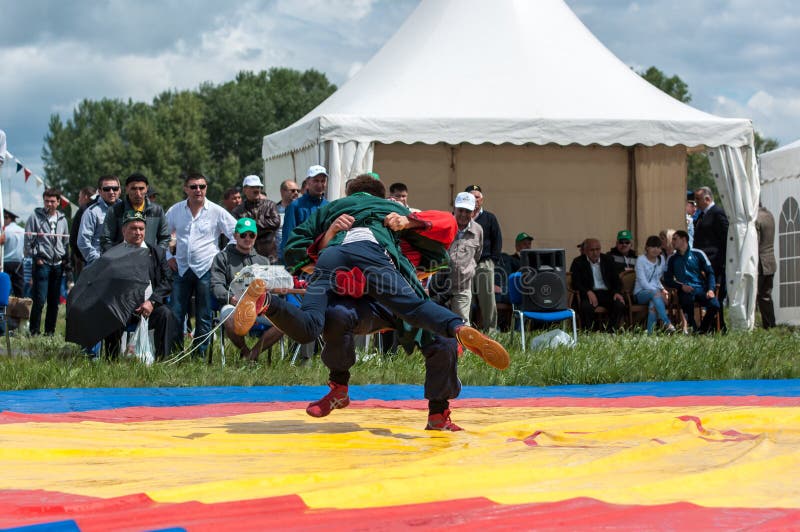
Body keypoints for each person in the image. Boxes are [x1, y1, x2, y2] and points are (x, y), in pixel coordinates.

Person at [235, 174, 510, 372]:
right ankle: (459, 327)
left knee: (310, 327)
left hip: (334, 259)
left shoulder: (332, 207)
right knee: (416, 309)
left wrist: (328, 237)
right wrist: (408, 221)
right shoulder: (392, 207)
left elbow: (293, 246)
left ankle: (266, 301)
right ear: (380, 196)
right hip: (375, 260)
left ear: (350, 195)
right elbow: (447, 223)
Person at [166, 172, 236, 354]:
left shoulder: (216, 211)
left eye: (202, 186)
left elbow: (237, 234)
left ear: (206, 188)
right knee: (176, 313)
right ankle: (175, 354)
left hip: (207, 268)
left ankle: (200, 356)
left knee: (204, 315)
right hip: (181, 268)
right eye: (193, 187)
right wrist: (168, 256)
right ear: (185, 189)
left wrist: (221, 257)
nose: (198, 190)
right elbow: (162, 236)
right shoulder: (175, 210)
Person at [99, 211, 179, 359]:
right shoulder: (113, 254)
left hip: (149, 305)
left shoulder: (156, 252)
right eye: (133, 228)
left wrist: (152, 301)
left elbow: (167, 280)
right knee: (110, 315)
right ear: (124, 230)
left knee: (166, 314)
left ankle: (163, 360)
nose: (138, 232)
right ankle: (112, 360)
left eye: (141, 229)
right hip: (122, 308)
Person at [210, 217, 283, 361]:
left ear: (255, 237)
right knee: (230, 319)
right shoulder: (222, 258)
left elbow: (270, 288)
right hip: (233, 306)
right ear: (235, 235)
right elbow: (216, 285)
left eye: (251, 235)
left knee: (284, 322)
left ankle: (252, 355)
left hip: (259, 308)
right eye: (243, 235)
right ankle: (245, 351)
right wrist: (231, 298)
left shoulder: (263, 261)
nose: (247, 238)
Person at [24, 188, 70, 335]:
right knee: (39, 299)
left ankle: (49, 331)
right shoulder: (35, 217)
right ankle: (34, 331)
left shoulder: (62, 219)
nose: (49, 204)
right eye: (46, 201)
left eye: (52, 201)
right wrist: (36, 257)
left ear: (58, 202)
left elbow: (65, 241)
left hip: (57, 264)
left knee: (54, 301)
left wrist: (65, 260)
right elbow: (28, 241)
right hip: (42, 263)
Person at [663, 230, 719, 334]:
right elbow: (667, 280)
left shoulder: (698, 253)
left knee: (714, 304)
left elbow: (710, 272)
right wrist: (681, 286)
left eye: (675, 239)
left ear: (684, 239)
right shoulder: (672, 259)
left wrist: (711, 289)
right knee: (686, 301)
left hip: (700, 289)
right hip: (684, 290)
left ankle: (703, 329)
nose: (672, 242)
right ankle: (693, 329)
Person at [101, 173, 170, 251]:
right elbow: (106, 240)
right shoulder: (115, 210)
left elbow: (165, 238)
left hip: (149, 260)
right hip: (122, 260)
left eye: (141, 188)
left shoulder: (157, 210)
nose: (138, 193)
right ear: (127, 189)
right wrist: (115, 258)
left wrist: (157, 255)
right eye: (133, 188)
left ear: (146, 189)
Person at [466, 184, 502, 331]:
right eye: (471, 197)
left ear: (482, 199)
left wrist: (493, 260)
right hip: (464, 264)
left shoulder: (489, 218)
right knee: (465, 299)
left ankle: (491, 332)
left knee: (487, 300)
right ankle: (464, 331)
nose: (475, 200)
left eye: (477, 197)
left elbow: (497, 240)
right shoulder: (461, 216)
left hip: (484, 263)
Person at [570, 238, 626, 330]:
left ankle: (611, 332)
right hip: (590, 293)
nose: (595, 253)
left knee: (619, 304)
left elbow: (616, 280)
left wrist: (617, 292)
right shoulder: (578, 262)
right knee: (585, 307)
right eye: (592, 250)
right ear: (585, 251)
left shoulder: (608, 259)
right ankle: (590, 333)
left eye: (597, 249)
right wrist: (587, 291)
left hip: (607, 293)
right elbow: (575, 282)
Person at [693, 187, 729, 331]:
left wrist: (721, 260)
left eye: (698, 199)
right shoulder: (701, 216)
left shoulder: (717, 213)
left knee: (716, 295)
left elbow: (726, 238)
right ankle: (716, 326)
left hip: (715, 263)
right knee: (709, 296)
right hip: (703, 262)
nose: (696, 203)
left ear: (707, 199)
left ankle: (710, 326)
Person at [448, 192, 483, 323]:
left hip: (463, 286)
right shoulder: (444, 225)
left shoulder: (478, 230)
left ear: (473, 212)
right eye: (460, 210)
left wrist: (468, 270)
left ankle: (462, 345)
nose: (463, 214)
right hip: (440, 285)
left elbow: (477, 255)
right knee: (436, 323)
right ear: (454, 209)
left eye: (467, 211)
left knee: (462, 323)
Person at [231, 175, 281, 263]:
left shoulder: (270, 205)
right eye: (252, 187)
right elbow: (236, 231)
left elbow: (276, 223)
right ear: (245, 189)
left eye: (258, 187)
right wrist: (264, 228)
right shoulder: (237, 211)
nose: (256, 190)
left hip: (269, 255)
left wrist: (250, 225)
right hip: (246, 255)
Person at [281, 165, 329, 254]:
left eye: (323, 181)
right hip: (302, 260)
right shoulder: (295, 206)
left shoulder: (329, 206)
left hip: (323, 258)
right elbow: (287, 237)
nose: (319, 184)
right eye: (316, 181)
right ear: (308, 182)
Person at [634, 235, 675, 334]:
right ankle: (666, 322)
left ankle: (650, 334)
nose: (656, 249)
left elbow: (657, 279)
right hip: (640, 293)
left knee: (653, 305)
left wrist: (662, 289)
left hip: (655, 293)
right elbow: (643, 283)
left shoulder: (661, 259)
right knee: (654, 294)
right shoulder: (641, 260)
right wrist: (659, 292)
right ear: (647, 247)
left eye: (658, 247)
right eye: (653, 246)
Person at [77, 175, 121, 265]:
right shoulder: (91, 212)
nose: (111, 192)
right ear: (100, 191)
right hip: (99, 264)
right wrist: (98, 260)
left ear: (120, 190)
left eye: (115, 188)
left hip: (122, 263)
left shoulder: (126, 209)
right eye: (107, 189)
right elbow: (83, 242)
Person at [68, 186, 97, 279]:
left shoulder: (84, 210)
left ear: (85, 197)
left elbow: (73, 237)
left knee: (81, 290)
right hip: (100, 258)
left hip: (82, 261)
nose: (78, 200)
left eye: (79, 197)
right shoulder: (103, 209)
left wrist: (80, 257)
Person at [755, 204, 777, 329]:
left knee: (756, 296)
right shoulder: (769, 215)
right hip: (770, 261)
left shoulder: (756, 218)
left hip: (760, 263)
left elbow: (754, 243)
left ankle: (755, 325)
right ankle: (770, 325)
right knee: (766, 296)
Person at [1, 209, 25, 297]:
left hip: (5, 262)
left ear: (8, 218)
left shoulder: (4, 231)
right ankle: (21, 308)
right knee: (19, 289)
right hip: (18, 262)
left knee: (3, 288)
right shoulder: (23, 230)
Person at [275, 179, 301, 260]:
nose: (296, 193)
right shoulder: (274, 211)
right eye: (292, 191)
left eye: (298, 191)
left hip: (296, 254)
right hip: (278, 257)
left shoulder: (301, 211)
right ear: (282, 192)